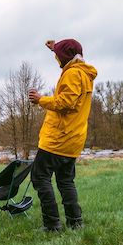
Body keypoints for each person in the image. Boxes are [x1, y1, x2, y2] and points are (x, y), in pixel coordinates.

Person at [28, 38, 98, 232]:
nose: (57, 58)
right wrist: (55, 48)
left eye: (59, 55)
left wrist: (41, 100)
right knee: (66, 181)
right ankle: (75, 222)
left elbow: (65, 103)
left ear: (66, 57)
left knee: (39, 177)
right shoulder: (83, 73)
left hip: (58, 139)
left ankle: (52, 225)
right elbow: (67, 57)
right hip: (73, 140)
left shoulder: (72, 74)